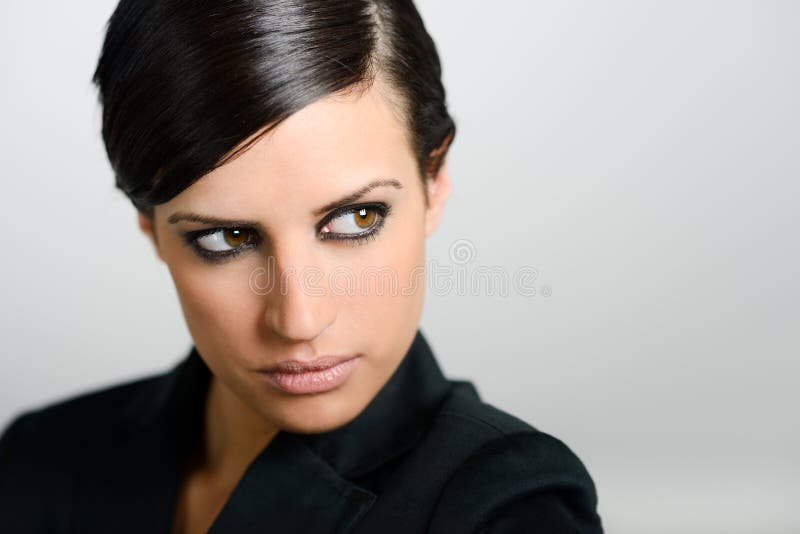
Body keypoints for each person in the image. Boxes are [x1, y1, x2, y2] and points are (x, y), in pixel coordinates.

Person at [0, 1, 604, 532]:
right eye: (225, 237)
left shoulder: (507, 508)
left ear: (434, 182)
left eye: (356, 220)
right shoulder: (39, 460)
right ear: (150, 226)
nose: (299, 319)